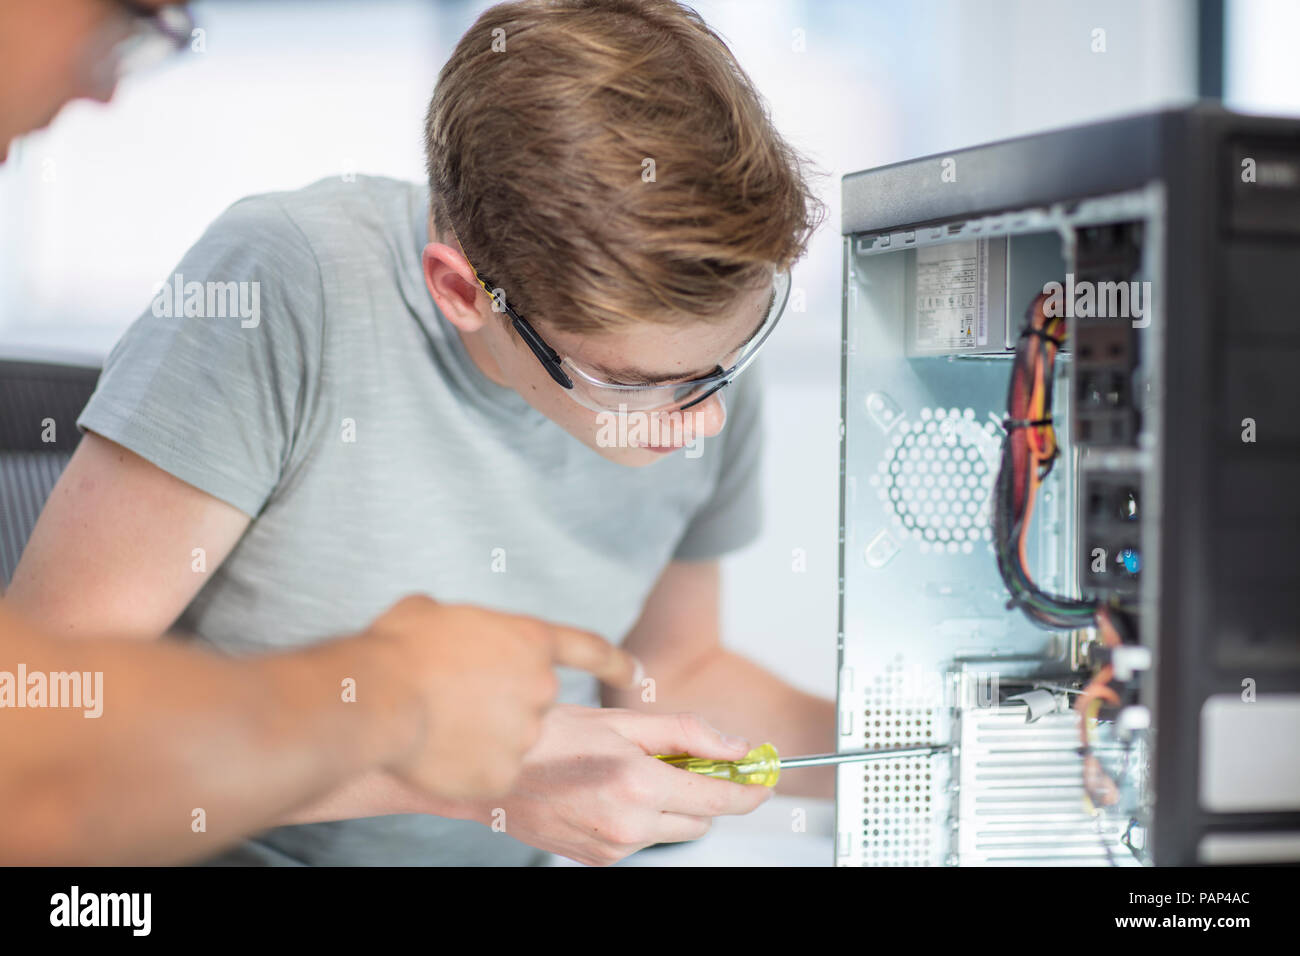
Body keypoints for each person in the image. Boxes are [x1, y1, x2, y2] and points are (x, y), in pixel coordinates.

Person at [9, 0, 837, 867]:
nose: (703, 416)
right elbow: (45, 723)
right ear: (462, 292)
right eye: (632, 384)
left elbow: (675, 672)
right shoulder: (288, 285)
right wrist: (472, 786)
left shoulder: (693, 340)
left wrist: (916, 738)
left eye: (726, 363)